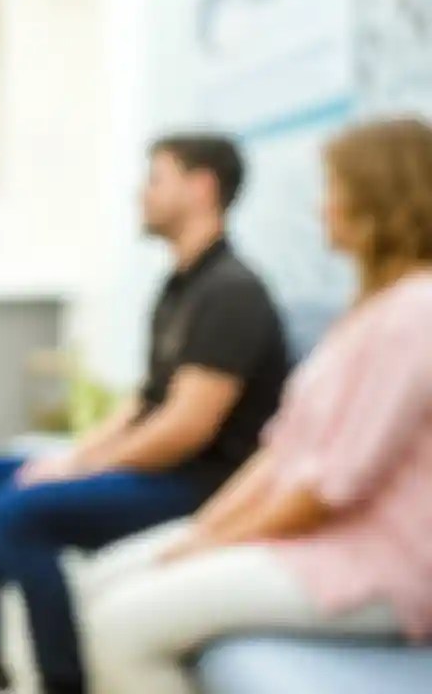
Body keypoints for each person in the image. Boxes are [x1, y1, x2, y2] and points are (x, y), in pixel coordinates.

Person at [0, 134, 290, 694]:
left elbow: (185, 429)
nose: (142, 194)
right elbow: (145, 402)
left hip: (200, 483)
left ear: (202, 189)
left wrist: (84, 468)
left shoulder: (232, 293)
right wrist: (77, 456)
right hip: (165, 467)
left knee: (19, 511)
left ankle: (65, 681)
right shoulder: (182, 285)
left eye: (157, 179)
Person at [86, 117, 432, 694]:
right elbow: (282, 450)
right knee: (105, 578)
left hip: (384, 565)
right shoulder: (373, 311)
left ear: (378, 198)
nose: (323, 209)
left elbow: (329, 488)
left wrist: (217, 544)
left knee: (120, 625)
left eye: (335, 191)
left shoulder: (416, 314)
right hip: (329, 540)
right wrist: (204, 529)